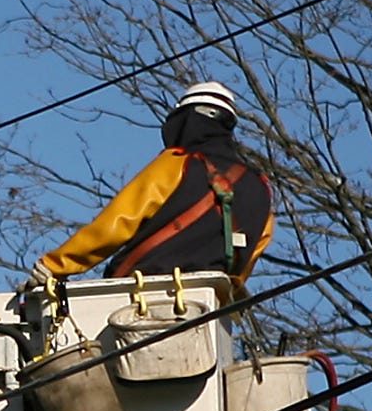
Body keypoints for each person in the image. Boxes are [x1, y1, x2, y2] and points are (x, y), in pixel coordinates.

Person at [30, 81, 274, 294]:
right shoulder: (262, 188)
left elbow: (116, 224)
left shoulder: (178, 163)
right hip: (208, 313)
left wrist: (55, 265)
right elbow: (245, 262)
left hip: (141, 300)